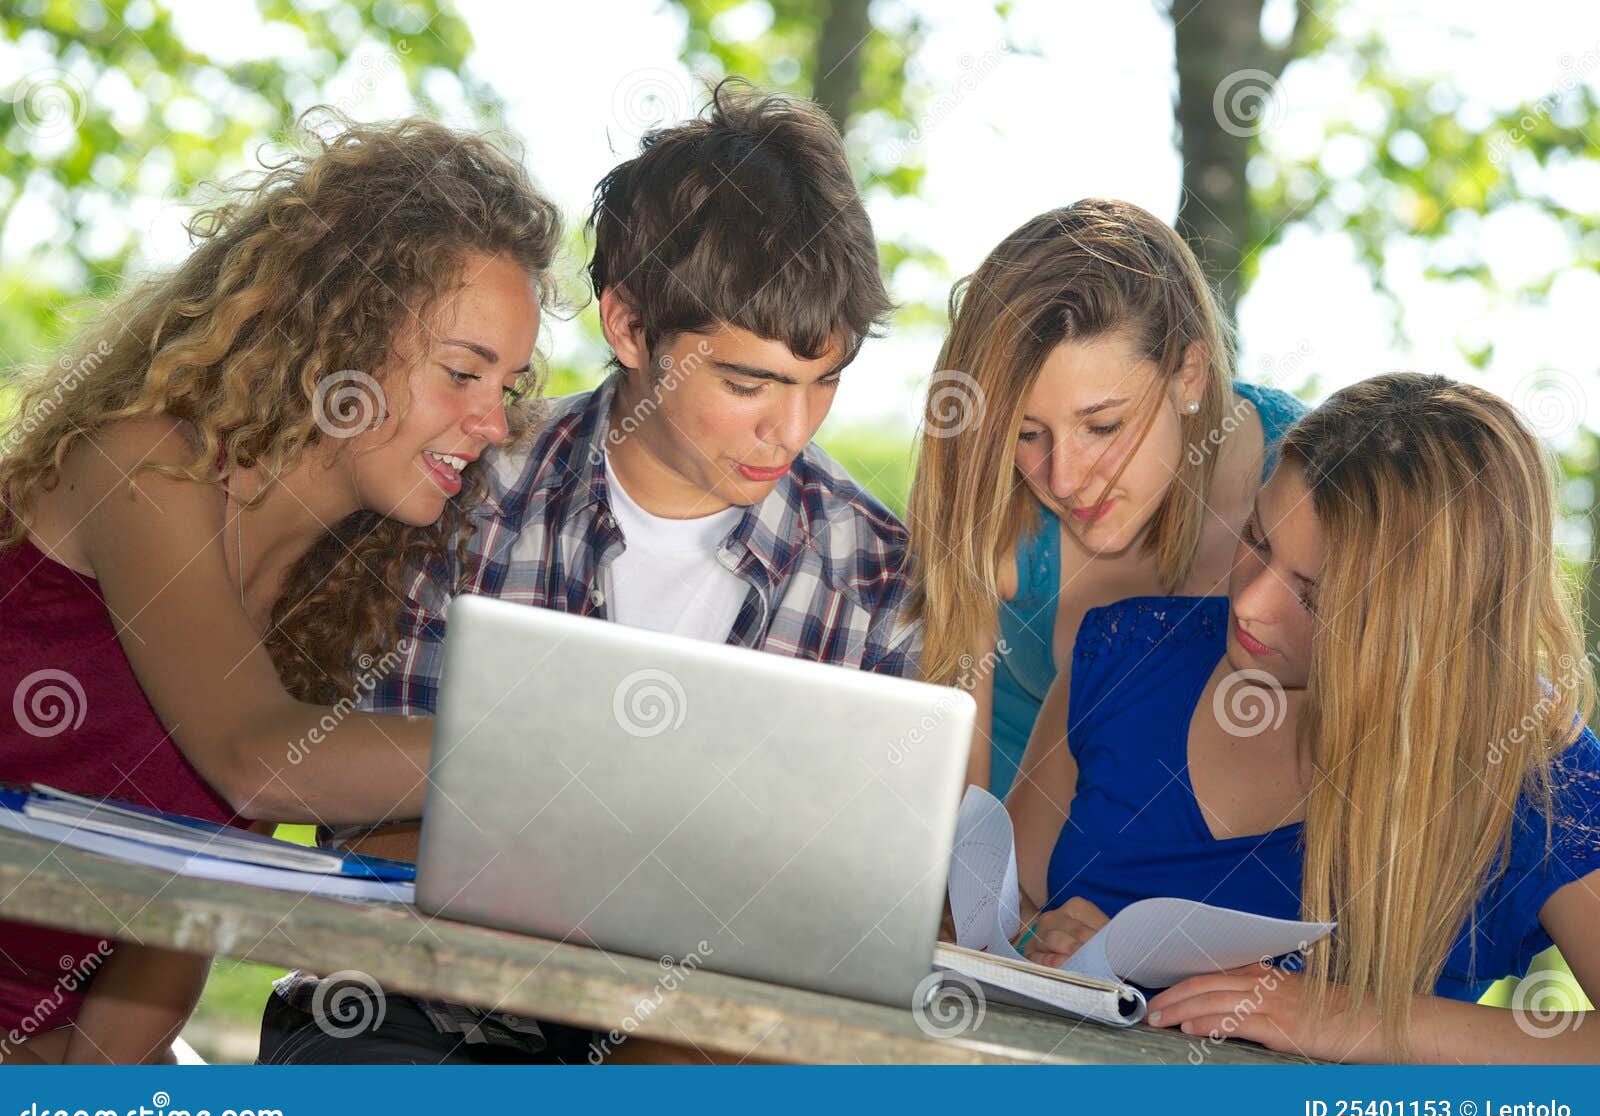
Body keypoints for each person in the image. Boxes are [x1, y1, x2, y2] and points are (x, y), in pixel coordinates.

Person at [258, 81, 918, 1065]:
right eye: (748, 385)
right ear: (629, 327)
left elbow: (866, 918)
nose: (793, 429)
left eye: (826, 383)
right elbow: (358, 832)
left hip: (697, 1044)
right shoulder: (460, 488)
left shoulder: (875, 575)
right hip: (418, 1009)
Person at [0, 112, 560, 1063]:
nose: (493, 422)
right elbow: (258, 757)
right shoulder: (144, 464)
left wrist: (77, 1086)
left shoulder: (332, 599)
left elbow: (188, 899)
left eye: (507, 387)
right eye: (463, 372)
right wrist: (561, 741)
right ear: (339, 331)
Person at [1009, 373, 1600, 1062]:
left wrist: (1353, 1018)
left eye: (1314, 597)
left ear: (1425, 635)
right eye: (1258, 539)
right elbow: (997, 907)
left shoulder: (1531, 764)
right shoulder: (1127, 652)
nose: (1251, 603)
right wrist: (1046, 946)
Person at [906, 200, 1305, 798]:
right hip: (1005, 863)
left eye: (1102, 427)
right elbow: (944, 810)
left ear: (1188, 376)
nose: (1063, 480)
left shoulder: (1309, 485)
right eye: (1026, 433)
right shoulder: (993, 496)